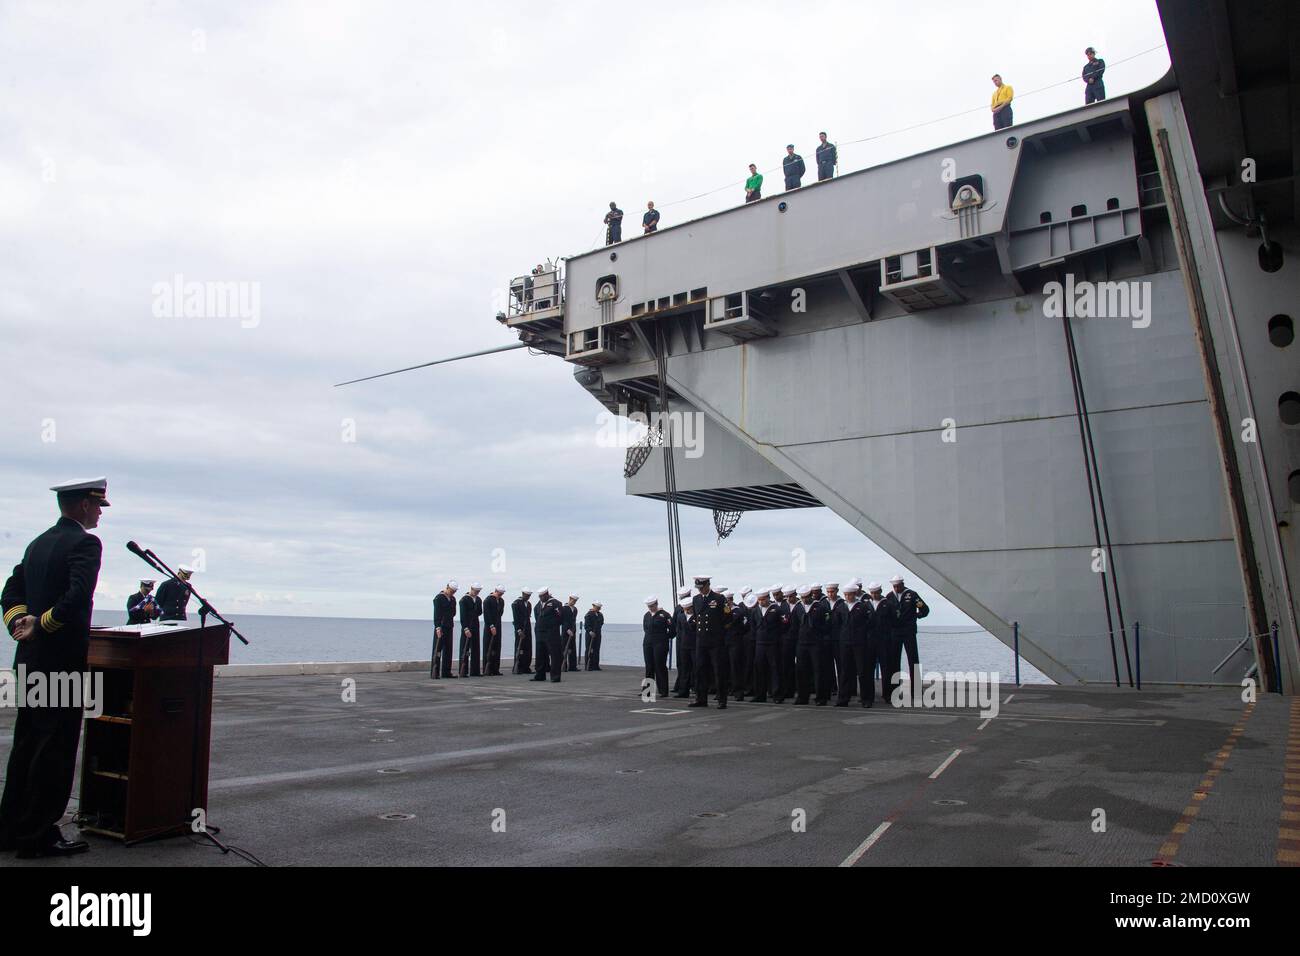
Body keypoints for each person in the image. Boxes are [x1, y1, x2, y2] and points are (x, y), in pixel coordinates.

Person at [1, 476, 109, 857]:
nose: (99, 513)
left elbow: (10, 591)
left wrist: (20, 622)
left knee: (28, 744)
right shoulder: (85, 542)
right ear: (82, 505)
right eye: (98, 506)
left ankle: (12, 829)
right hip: (61, 662)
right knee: (55, 749)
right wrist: (43, 625)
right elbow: (78, 596)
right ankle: (38, 836)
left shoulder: (38, 542)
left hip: (29, 662)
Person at [690, 574, 730, 708]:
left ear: (707, 585)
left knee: (719, 670)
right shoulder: (696, 600)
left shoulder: (719, 598)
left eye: (702, 587)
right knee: (700, 670)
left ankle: (721, 699)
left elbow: (727, 617)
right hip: (701, 641)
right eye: (698, 588)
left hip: (715, 641)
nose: (700, 590)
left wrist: (719, 632)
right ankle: (701, 698)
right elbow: (696, 617)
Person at [891, 575, 929, 703]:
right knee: (894, 661)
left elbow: (925, 609)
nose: (896, 588)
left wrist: (917, 616)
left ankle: (916, 690)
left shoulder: (912, 595)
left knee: (913, 661)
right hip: (895, 632)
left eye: (898, 586)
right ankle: (894, 689)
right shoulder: (890, 596)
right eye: (894, 586)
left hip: (909, 632)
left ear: (903, 584)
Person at [837, 582, 871, 707]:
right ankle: (843, 699)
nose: (847, 597)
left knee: (862, 671)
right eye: (845, 595)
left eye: (849, 595)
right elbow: (837, 623)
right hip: (845, 643)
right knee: (845, 671)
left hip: (859, 643)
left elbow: (869, 623)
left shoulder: (862, 607)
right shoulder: (841, 607)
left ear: (854, 594)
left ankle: (866, 699)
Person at [751, 587, 784, 703]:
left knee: (774, 669)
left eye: (763, 599)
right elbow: (753, 626)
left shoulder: (776, 609)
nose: (761, 602)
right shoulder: (756, 610)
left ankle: (777, 695)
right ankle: (760, 694)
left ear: (768, 598)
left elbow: (783, 625)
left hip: (772, 643)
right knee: (759, 669)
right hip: (760, 643)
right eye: (759, 600)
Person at [864, 582, 891, 707]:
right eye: (872, 593)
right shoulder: (866, 605)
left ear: (880, 591)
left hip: (884, 640)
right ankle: (869, 697)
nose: (874, 595)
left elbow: (894, 622)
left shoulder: (887, 604)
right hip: (869, 641)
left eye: (876, 592)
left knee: (886, 669)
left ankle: (888, 695)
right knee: (868, 669)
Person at [642, 596, 673, 698]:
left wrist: (665, 637)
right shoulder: (646, 615)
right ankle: (648, 690)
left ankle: (663, 690)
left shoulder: (664, 615)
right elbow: (645, 628)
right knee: (649, 666)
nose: (651, 608)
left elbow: (673, 629)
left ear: (656, 604)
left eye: (652, 606)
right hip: (648, 643)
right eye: (649, 606)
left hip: (660, 643)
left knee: (660, 666)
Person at [531, 587, 564, 682]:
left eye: (542, 596)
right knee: (540, 654)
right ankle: (540, 674)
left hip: (551, 633)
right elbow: (537, 616)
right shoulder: (538, 605)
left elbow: (560, 617)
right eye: (539, 596)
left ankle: (555, 676)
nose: (541, 598)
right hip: (540, 632)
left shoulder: (556, 603)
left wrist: (552, 626)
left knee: (554, 654)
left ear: (547, 594)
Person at [671, 585, 694, 697]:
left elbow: (673, 624)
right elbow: (675, 623)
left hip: (686, 640)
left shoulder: (679, 608)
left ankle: (686, 686)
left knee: (688, 664)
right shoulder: (680, 610)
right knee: (683, 664)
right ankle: (683, 687)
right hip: (682, 639)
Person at [778, 585, 799, 703]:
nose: (789, 599)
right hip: (786, 639)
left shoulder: (799, 606)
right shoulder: (783, 607)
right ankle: (788, 689)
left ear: (795, 595)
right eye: (787, 597)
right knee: (786, 666)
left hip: (799, 639)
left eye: (791, 596)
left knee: (801, 666)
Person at [432, 580, 457, 678]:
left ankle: (446, 672)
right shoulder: (439, 598)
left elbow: (453, 612)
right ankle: (435, 671)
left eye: (454, 591)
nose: (453, 593)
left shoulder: (453, 599)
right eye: (451, 590)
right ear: (447, 588)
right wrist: (437, 627)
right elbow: (437, 614)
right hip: (441, 626)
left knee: (448, 649)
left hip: (449, 625)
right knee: (438, 650)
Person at [482, 585, 507, 676]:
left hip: (498, 625)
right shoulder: (488, 600)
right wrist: (491, 626)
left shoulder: (501, 601)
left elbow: (500, 613)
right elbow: (486, 615)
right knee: (488, 647)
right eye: (500, 593)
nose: (501, 595)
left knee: (497, 647)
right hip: (489, 627)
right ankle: (487, 668)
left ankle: (495, 668)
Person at [511, 587, 533, 674]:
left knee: (527, 648)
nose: (527, 597)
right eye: (526, 595)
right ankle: (518, 666)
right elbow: (516, 618)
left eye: (529, 596)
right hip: (519, 628)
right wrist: (519, 630)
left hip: (527, 627)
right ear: (523, 594)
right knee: (519, 648)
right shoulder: (516, 603)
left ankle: (526, 667)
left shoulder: (529, 604)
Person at [561, 593, 580, 671]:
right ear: (570, 598)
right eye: (573, 600)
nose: (574, 602)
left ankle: (572, 666)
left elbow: (573, 621)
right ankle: (563, 666)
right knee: (564, 648)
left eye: (575, 601)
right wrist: (567, 629)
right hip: (566, 632)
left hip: (573, 631)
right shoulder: (564, 608)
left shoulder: (575, 609)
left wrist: (573, 629)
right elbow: (563, 620)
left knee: (572, 649)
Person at [584, 602, 604, 670]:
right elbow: (586, 625)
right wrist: (590, 631)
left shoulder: (600, 615)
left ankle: (596, 665)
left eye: (599, 608)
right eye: (597, 607)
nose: (599, 609)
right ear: (593, 606)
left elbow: (601, 623)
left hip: (597, 634)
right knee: (589, 649)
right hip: (590, 634)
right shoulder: (588, 614)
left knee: (596, 650)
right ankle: (588, 665)